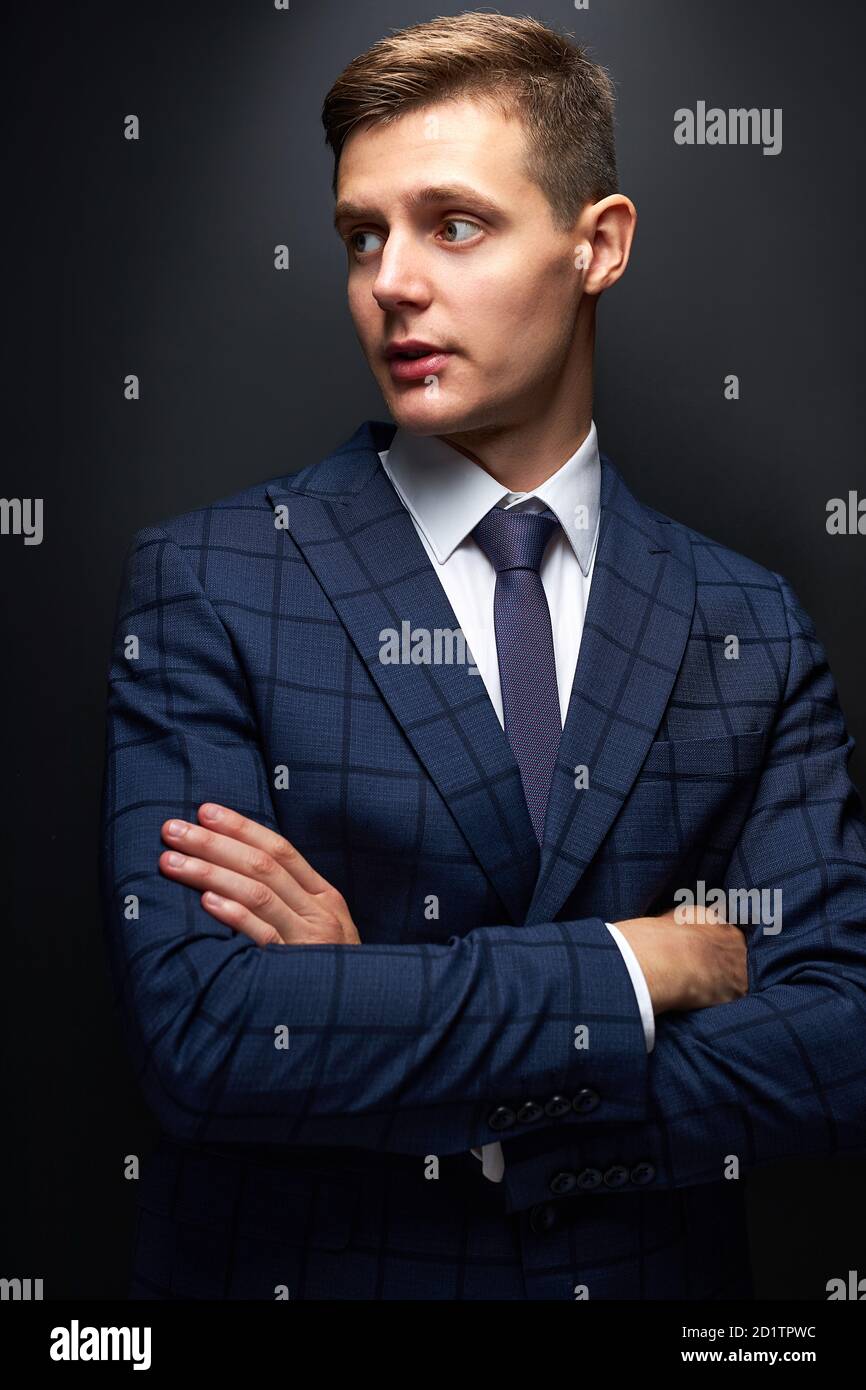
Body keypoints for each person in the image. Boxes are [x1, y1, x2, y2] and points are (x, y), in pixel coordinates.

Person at [99, 11, 866, 1301]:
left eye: (453, 224)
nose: (391, 279)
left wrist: (400, 1025)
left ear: (598, 247)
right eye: (362, 235)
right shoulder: (210, 581)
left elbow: (840, 1038)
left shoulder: (748, 618)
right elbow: (209, 1036)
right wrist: (640, 966)